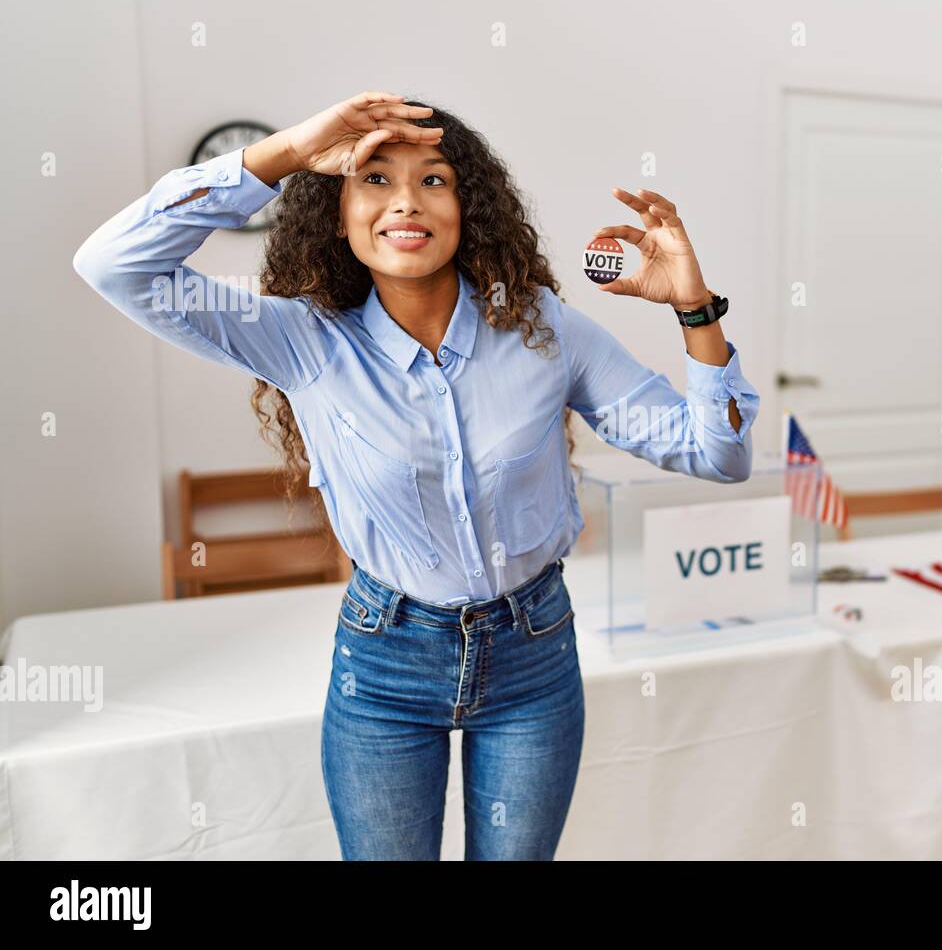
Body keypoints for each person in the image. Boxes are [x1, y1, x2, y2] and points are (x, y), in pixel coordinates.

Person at [72, 91, 761, 860]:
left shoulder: (541, 327)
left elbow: (718, 453)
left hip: (534, 657)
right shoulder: (301, 340)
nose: (406, 201)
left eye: (434, 180)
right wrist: (291, 151)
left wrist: (696, 309)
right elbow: (113, 265)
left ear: (469, 210)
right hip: (385, 663)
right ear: (338, 213)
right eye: (374, 180)